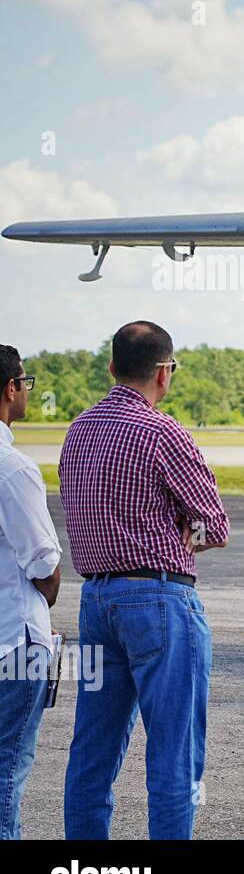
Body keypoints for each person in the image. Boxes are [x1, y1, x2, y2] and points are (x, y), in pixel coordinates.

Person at [60, 321, 229, 839]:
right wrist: (181, 529)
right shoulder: (163, 431)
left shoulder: (79, 429)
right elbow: (213, 526)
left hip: (95, 598)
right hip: (158, 596)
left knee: (92, 752)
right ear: (164, 373)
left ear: (112, 367)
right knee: (173, 754)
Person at [0, 347, 62, 840]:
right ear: (9, 389)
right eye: (25, 381)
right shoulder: (13, 469)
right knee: (6, 774)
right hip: (13, 644)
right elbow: (45, 564)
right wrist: (47, 599)